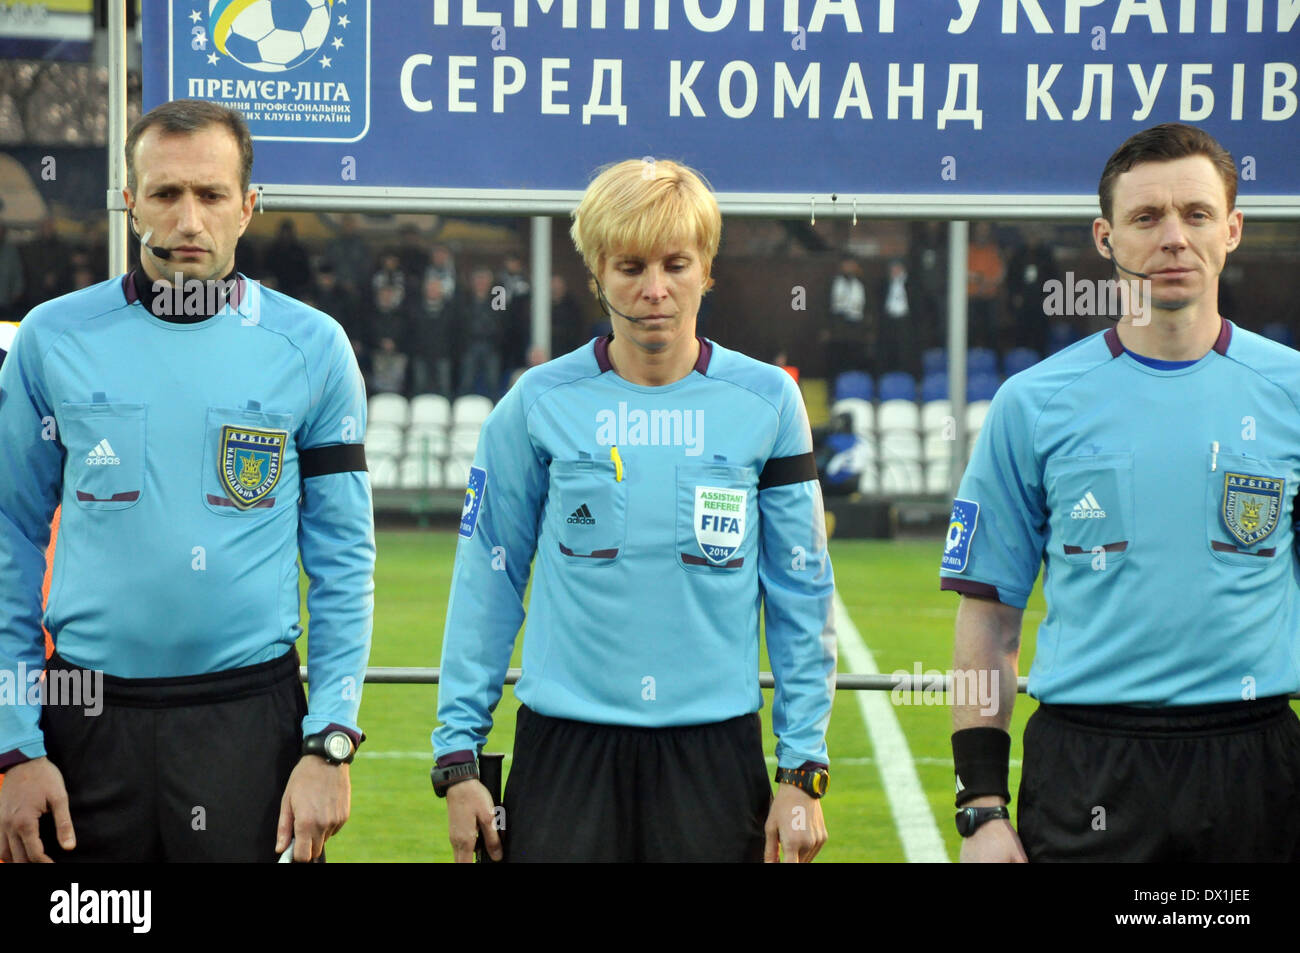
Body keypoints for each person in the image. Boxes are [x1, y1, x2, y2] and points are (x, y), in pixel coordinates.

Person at [0, 99, 375, 863]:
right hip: (86, 713)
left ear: (248, 206)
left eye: (210, 195)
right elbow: (8, 538)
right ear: (131, 201)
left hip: (246, 716)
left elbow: (344, 560)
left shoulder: (311, 348)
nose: (189, 219)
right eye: (166, 194)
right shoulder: (52, 338)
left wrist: (330, 744)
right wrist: (13, 745)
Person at [431, 158, 837, 863]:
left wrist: (802, 770)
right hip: (565, 753)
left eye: (676, 264)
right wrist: (460, 759)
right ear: (596, 272)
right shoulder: (536, 402)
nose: (655, 291)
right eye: (629, 267)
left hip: (712, 755)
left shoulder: (769, 401)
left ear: (706, 268)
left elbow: (801, 592)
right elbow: (488, 579)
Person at [940, 122, 1300, 863]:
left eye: (1196, 214)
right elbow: (989, 624)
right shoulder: (1032, 403)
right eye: (1146, 217)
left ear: (1231, 230)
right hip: (1088, 767)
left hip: (1255, 766)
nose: (1174, 238)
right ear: (1105, 239)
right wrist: (981, 806)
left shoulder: (1292, 393)